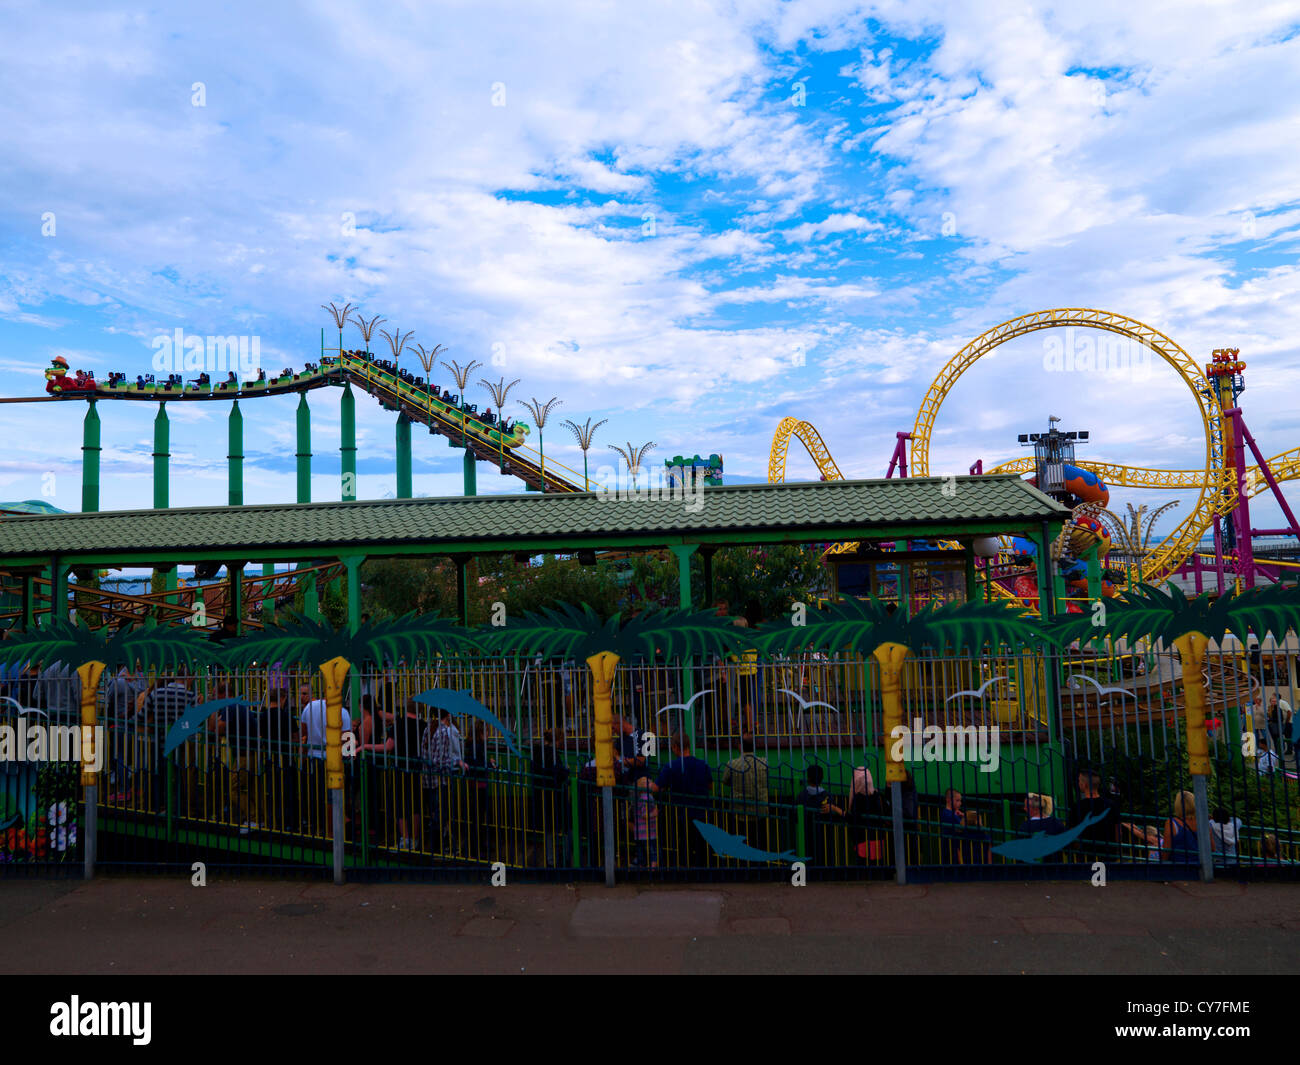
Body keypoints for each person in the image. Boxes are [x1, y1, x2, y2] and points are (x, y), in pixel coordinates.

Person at [299, 683, 352, 835]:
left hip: (312, 757)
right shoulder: (342, 712)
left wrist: (302, 757)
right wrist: (350, 760)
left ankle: (316, 826)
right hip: (333, 760)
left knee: (315, 794)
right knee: (333, 797)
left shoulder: (309, 708)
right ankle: (332, 831)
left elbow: (304, 734)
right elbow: (347, 740)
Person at [652, 731, 712, 867]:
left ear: (674, 747)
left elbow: (656, 788)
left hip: (680, 813)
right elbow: (710, 785)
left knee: (683, 844)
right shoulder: (702, 765)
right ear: (689, 745)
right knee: (701, 844)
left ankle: (685, 871)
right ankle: (702, 870)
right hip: (701, 812)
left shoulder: (671, 766)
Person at [420, 708, 468, 856]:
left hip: (429, 779)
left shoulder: (429, 729)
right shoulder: (443, 733)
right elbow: (439, 760)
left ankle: (438, 848)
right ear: (448, 714)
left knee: (437, 815)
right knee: (443, 816)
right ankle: (442, 849)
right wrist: (457, 762)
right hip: (441, 780)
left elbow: (426, 755)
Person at [1068, 770, 1119, 856]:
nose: (1078, 783)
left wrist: (1076, 849)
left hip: (1086, 852)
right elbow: (1118, 830)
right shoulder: (1111, 805)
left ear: (1084, 785)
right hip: (1108, 852)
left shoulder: (1077, 807)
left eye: (1079, 781)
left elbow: (1073, 832)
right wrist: (1116, 848)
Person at [631, 775, 658, 869]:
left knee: (641, 854)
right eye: (649, 782)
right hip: (648, 832)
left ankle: (641, 869)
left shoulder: (638, 798)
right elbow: (644, 814)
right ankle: (652, 871)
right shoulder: (647, 797)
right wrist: (654, 814)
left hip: (638, 832)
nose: (652, 783)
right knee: (653, 853)